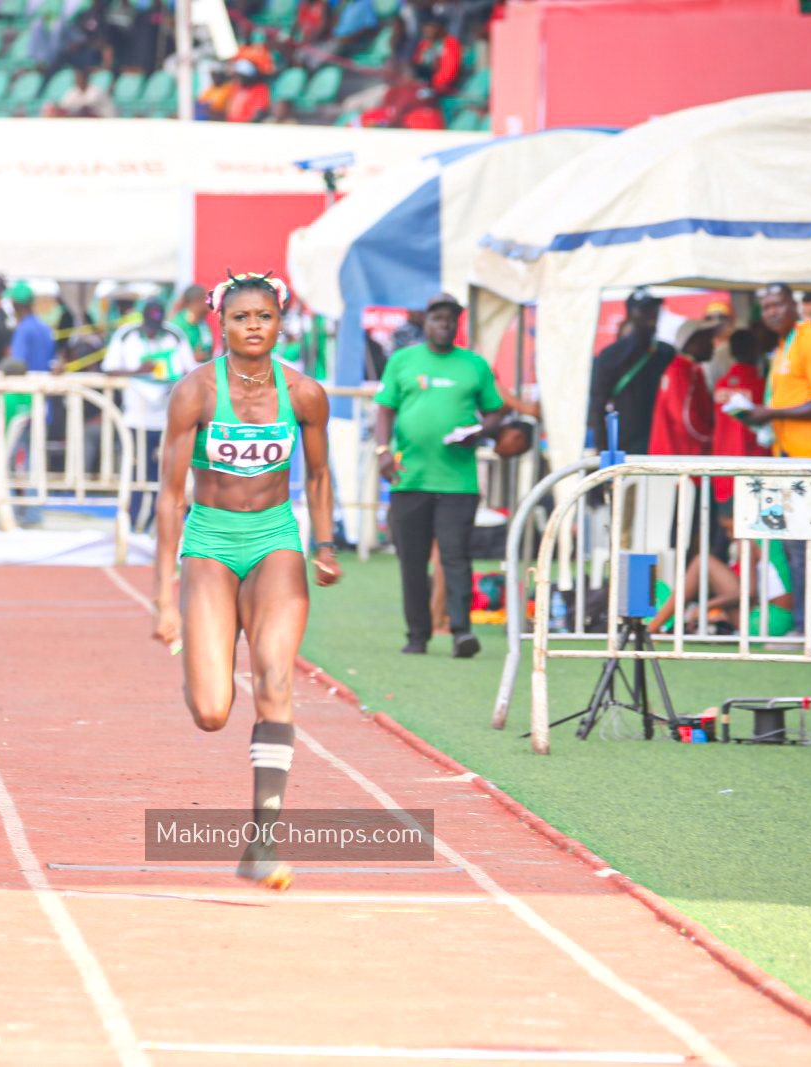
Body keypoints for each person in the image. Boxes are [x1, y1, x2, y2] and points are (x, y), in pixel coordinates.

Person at [151, 271, 340, 891]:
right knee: (211, 711)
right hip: (209, 541)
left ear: (279, 321)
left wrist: (325, 543)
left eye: (263, 316)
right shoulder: (196, 394)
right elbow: (169, 494)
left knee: (276, 677)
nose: (252, 327)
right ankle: (210, 636)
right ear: (221, 324)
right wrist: (162, 598)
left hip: (275, 541)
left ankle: (263, 840)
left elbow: (317, 475)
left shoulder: (305, 395)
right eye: (240, 318)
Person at [374, 292, 508, 657]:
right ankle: (417, 635)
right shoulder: (403, 361)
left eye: (450, 319)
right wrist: (383, 452)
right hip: (410, 477)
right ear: (426, 322)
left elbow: (496, 410)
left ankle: (461, 631)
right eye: (437, 318)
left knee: (456, 556)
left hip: (458, 481)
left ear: (457, 324)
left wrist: (482, 431)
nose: (444, 325)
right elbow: (384, 410)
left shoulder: (475, 365)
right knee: (412, 560)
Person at [741, 282, 811, 635]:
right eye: (766, 306)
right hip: (787, 457)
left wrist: (770, 412)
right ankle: (804, 625)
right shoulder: (785, 344)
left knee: (803, 547)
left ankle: (809, 628)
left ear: (793, 304)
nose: (772, 311)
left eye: (778, 304)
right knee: (791, 545)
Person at [103, 298, 195, 531]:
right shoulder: (126, 335)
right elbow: (109, 369)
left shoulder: (173, 335)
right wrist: (137, 371)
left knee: (167, 473)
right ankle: (134, 523)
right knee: (137, 472)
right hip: (136, 418)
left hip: (168, 418)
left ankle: (159, 524)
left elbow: (190, 369)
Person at [647, 537, 794, 638]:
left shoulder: (749, 540)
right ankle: (659, 625)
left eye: (727, 528)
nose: (728, 535)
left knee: (701, 562)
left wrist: (704, 607)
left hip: (768, 622)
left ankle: (653, 627)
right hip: (777, 617)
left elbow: (748, 593)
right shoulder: (768, 539)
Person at [587, 288, 674, 456]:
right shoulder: (611, 355)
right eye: (644, 309)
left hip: (659, 440)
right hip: (623, 443)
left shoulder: (666, 352)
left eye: (654, 309)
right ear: (631, 313)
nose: (651, 314)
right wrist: (603, 447)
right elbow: (598, 403)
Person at [710, 328, 768, 510]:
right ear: (756, 350)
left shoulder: (721, 384)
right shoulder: (761, 385)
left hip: (723, 464)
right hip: (753, 464)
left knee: (729, 525)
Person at [648, 319, 716, 457]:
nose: (712, 346)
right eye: (707, 340)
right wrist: (713, 438)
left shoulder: (688, 369)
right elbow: (686, 419)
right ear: (692, 342)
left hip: (678, 457)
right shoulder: (681, 370)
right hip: (677, 458)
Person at [7, 283, 54, 373]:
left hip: (27, 385)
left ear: (15, 305)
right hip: (45, 384)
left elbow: (17, 365)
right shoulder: (45, 328)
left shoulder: (23, 329)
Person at [45, 66, 114, 118]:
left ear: (85, 79)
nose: (77, 80)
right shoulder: (74, 91)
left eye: (79, 78)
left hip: (106, 119)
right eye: (76, 78)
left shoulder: (96, 91)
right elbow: (64, 105)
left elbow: (86, 109)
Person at [171, 284, 214, 360]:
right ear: (197, 301)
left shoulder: (202, 324)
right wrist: (191, 358)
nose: (209, 303)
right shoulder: (176, 326)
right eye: (206, 299)